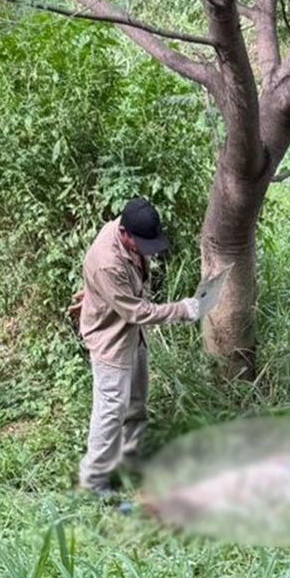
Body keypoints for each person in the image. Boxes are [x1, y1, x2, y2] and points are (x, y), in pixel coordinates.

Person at [70, 198, 200, 495]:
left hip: (133, 334)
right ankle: (93, 481)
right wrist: (182, 310)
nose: (146, 250)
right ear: (125, 233)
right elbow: (137, 312)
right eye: (141, 243)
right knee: (111, 410)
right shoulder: (107, 261)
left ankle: (129, 460)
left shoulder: (128, 235)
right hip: (111, 341)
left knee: (136, 402)